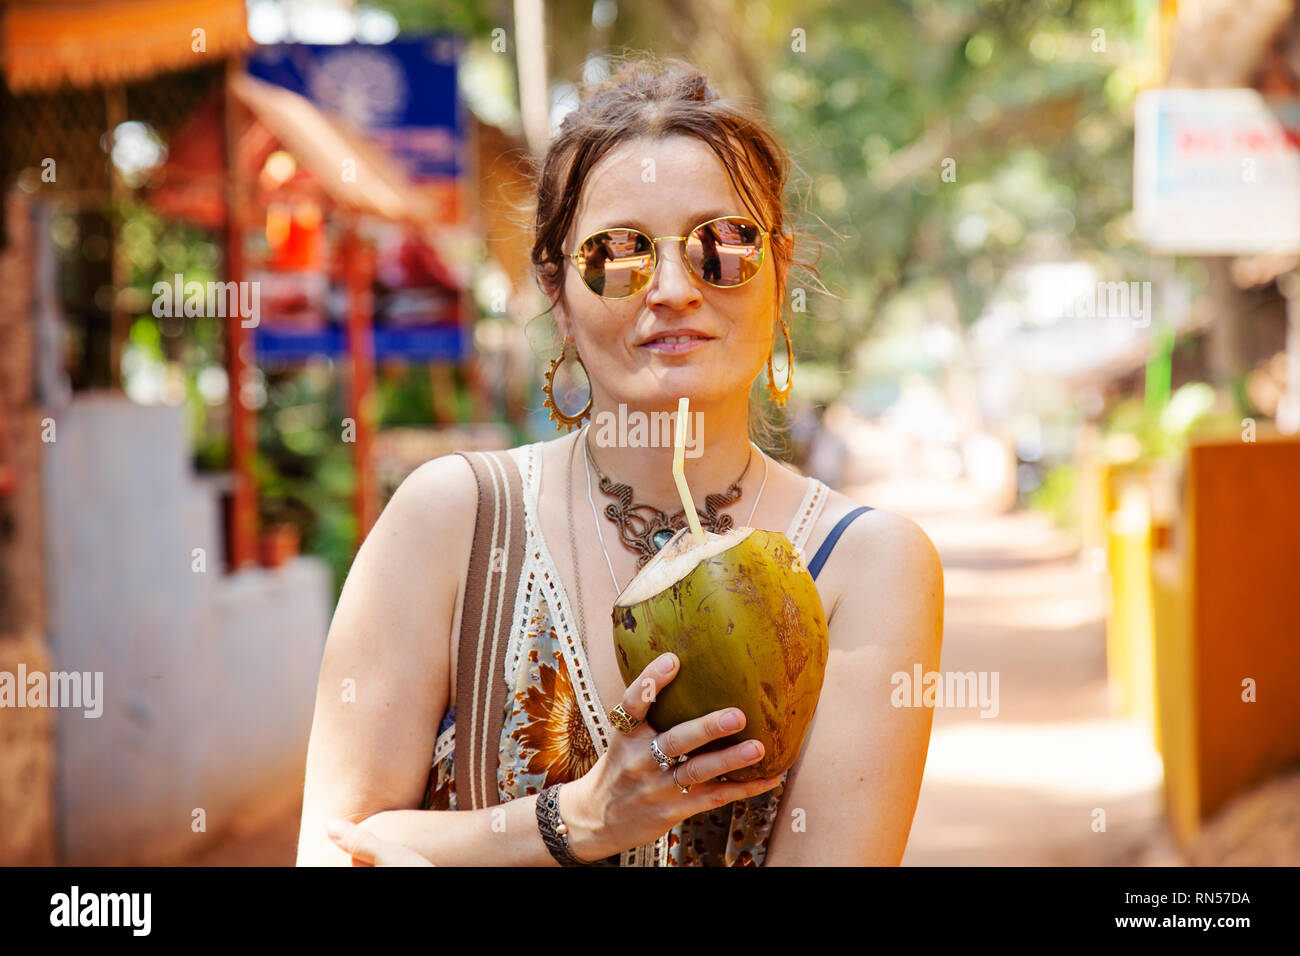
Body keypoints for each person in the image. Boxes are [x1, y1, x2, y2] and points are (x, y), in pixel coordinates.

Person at [296, 56, 943, 867]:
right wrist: (577, 820)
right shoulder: (450, 523)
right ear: (558, 292)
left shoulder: (866, 565)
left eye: (724, 242)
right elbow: (328, 854)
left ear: (779, 269)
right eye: (617, 252)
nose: (672, 287)